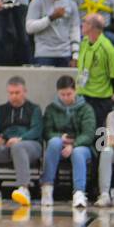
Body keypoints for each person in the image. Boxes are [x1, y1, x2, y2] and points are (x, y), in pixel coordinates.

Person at [0, 76, 43, 207]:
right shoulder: (1, 109)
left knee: (18, 147)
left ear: (24, 91)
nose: (14, 96)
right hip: (7, 146)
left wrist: (20, 139)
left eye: (17, 93)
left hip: (30, 145)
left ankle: (24, 189)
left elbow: (37, 130)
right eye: (11, 93)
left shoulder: (34, 109)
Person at [40, 75, 97, 209]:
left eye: (69, 94)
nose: (66, 97)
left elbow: (89, 134)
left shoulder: (86, 108)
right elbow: (47, 132)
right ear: (57, 93)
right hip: (60, 147)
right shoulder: (51, 109)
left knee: (77, 152)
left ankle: (79, 192)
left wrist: (73, 144)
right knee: (54, 142)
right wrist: (61, 137)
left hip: (82, 146)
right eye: (62, 94)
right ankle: (47, 187)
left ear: (75, 91)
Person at [26, 0, 81, 67]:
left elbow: (75, 30)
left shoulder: (71, 4)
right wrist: (51, 18)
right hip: (44, 53)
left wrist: (75, 56)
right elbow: (29, 28)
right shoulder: (37, 2)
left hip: (65, 54)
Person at [77, 13, 114, 132]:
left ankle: (100, 145)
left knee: (99, 131)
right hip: (83, 93)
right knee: (84, 129)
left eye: (84, 22)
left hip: (100, 98)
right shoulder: (84, 42)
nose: (81, 24)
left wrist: (113, 94)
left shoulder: (108, 49)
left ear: (91, 26)